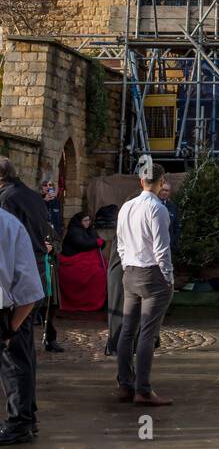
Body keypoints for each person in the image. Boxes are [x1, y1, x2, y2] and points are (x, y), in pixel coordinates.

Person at [115, 161, 174, 406]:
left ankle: (125, 385)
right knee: (147, 333)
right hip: (152, 275)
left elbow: (120, 243)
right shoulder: (157, 208)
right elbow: (162, 249)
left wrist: (127, 264)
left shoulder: (126, 207)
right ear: (161, 183)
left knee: (128, 330)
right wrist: (168, 277)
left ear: (141, 181)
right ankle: (143, 390)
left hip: (130, 272)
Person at [0, 157, 63, 353]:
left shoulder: (6, 199)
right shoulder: (33, 196)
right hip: (34, 268)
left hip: (17, 277)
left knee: (13, 351)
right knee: (23, 345)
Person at [0, 208, 46, 444]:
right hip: (8, 310)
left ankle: (20, 422)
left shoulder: (9, 225)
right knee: (17, 362)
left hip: (6, 309)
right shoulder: (10, 224)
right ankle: (23, 419)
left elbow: (29, 291)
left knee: (15, 364)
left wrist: (11, 327)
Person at [57, 212, 107, 313]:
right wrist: (96, 242)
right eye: (85, 220)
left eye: (89, 220)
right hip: (72, 259)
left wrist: (100, 243)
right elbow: (82, 244)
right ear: (79, 221)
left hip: (84, 258)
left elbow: (96, 241)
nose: (87, 222)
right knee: (96, 273)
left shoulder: (89, 230)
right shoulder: (74, 231)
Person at [158, 182, 181, 254]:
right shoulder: (152, 205)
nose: (164, 192)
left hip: (169, 247)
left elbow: (176, 226)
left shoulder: (173, 207)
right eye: (162, 190)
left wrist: (174, 242)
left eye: (167, 190)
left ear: (169, 192)